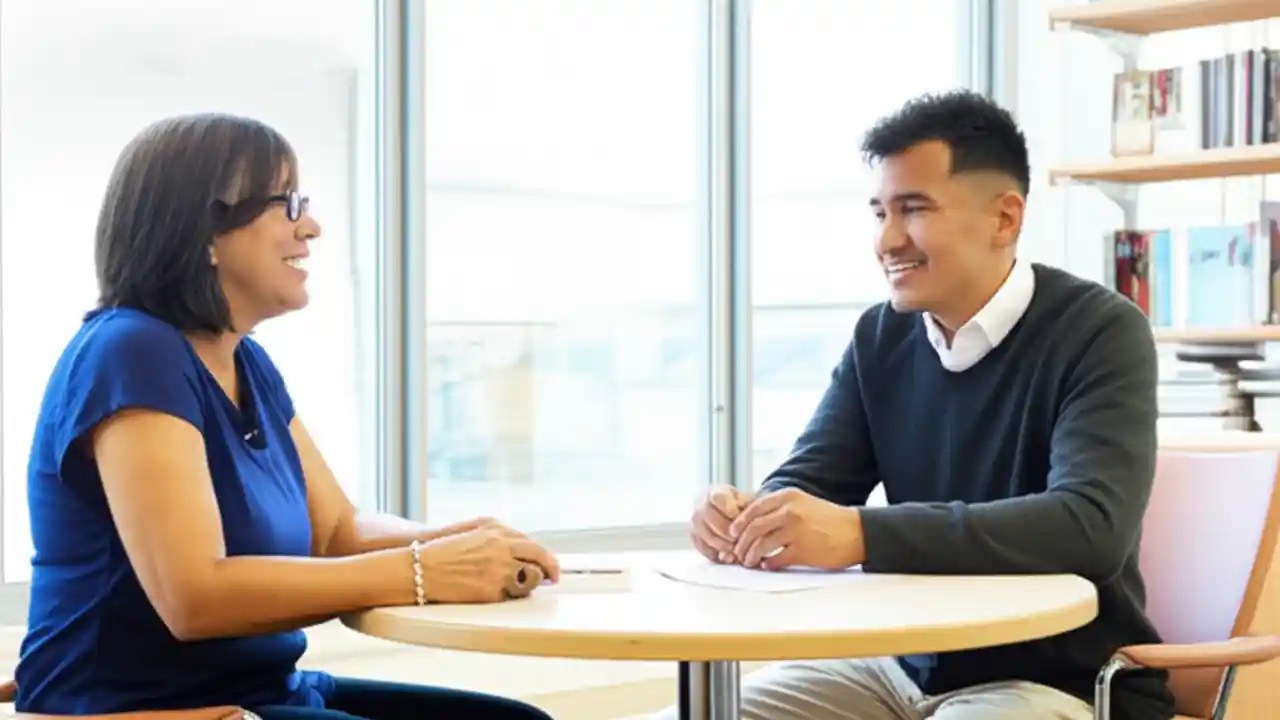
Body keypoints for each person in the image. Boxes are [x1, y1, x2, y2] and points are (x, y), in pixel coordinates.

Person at [15, 113, 560, 720]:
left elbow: (335, 532)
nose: (312, 226)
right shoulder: (131, 351)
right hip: (149, 708)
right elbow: (193, 597)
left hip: (262, 690)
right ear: (207, 233)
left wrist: (455, 541)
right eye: (288, 203)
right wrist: (422, 571)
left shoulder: (246, 361)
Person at [680, 90, 1175, 719]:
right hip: (896, 667)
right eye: (879, 212)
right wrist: (747, 517)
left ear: (1005, 218)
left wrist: (860, 534)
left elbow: (1088, 528)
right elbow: (812, 484)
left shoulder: (1101, 331)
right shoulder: (879, 336)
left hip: (1057, 681)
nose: (887, 240)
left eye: (913, 209)